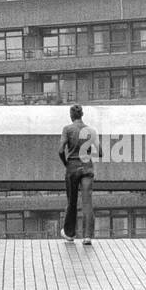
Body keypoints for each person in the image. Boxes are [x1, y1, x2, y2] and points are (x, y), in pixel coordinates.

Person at [59, 104, 100, 245]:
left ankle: (70, 234)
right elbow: (100, 152)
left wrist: (66, 163)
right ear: (82, 115)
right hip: (87, 167)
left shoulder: (67, 129)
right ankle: (87, 236)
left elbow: (60, 150)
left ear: (71, 115)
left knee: (72, 201)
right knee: (87, 202)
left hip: (72, 167)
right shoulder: (91, 131)